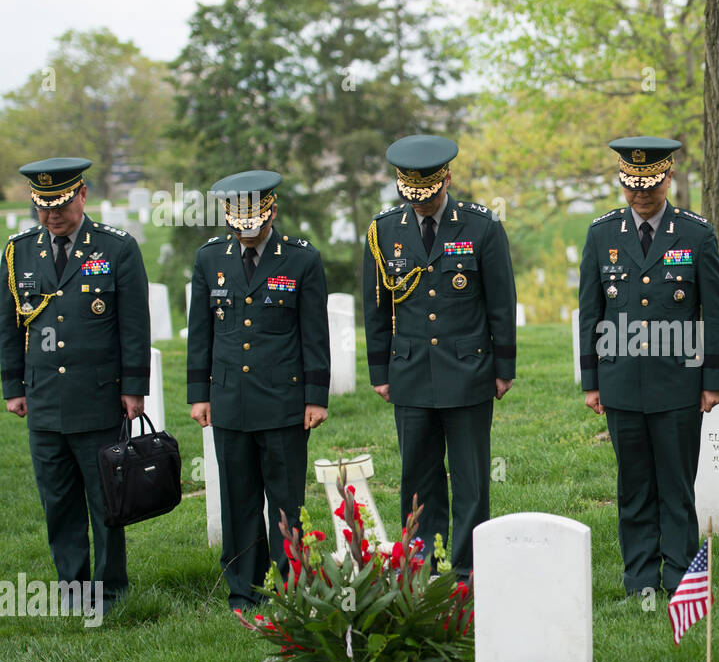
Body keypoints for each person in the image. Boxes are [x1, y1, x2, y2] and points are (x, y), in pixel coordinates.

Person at [578, 136, 719, 597]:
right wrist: (592, 380)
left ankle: (681, 575)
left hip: (678, 385)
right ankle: (640, 577)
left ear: (668, 179)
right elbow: (591, 313)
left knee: (677, 486)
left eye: (650, 185)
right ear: (622, 182)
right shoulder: (602, 234)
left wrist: (714, 381)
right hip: (622, 383)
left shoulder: (696, 233)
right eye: (632, 186)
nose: (641, 195)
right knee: (634, 486)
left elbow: (715, 312)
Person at [362, 135, 516, 580]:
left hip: (468, 372)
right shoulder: (383, 230)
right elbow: (375, 307)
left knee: (470, 480)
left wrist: (503, 369)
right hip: (409, 372)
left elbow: (501, 302)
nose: (422, 204)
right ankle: (420, 568)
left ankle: (468, 570)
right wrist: (379, 371)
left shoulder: (481, 226)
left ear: (446, 179)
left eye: (429, 193)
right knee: (418, 478)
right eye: (413, 195)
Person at [1, 157, 150, 612]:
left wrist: (133, 387)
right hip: (44, 398)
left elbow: (134, 325)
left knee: (106, 499)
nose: (52, 215)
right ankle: (72, 590)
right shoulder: (18, 251)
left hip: (100, 395)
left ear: (82, 195)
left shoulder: (116, 248)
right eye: (43, 207)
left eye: (60, 204)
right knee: (58, 500)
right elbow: (9, 325)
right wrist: (12, 386)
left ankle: (109, 591)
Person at [187, 170, 330, 611]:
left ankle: (291, 585)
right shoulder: (210, 259)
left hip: (284, 403)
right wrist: (199, 393)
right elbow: (200, 332)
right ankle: (244, 589)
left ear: (271, 212)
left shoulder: (301, 259)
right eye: (239, 224)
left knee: (285, 500)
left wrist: (315, 396)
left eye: (255, 223)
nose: (247, 233)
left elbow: (314, 333)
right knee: (237, 499)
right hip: (229, 399)